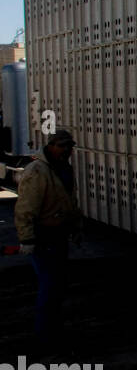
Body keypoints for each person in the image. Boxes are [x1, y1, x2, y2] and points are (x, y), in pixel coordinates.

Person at [15, 129, 82, 335]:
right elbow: (25, 208)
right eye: (62, 146)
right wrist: (27, 238)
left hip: (58, 235)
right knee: (50, 285)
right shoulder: (37, 171)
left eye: (69, 147)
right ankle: (44, 334)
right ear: (51, 146)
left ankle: (52, 328)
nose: (67, 151)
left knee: (58, 285)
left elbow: (69, 202)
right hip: (44, 237)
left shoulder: (63, 168)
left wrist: (75, 228)